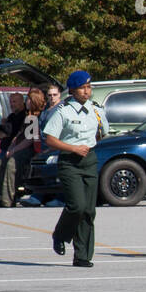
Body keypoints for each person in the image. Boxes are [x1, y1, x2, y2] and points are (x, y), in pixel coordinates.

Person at [43, 71, 106, 267]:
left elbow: (101, 133)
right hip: (70, 161)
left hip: (89, 160)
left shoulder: (96, 109)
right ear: (72, 90)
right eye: (82, 88)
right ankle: (60, 235)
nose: (87, 91)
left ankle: (82, 256)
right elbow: (50, 139)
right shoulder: (63, 111)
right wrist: (73, 148)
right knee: (77, 205)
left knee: (88, 210)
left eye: (89, 87)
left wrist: (89, 145)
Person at [0, 88, 46, 207]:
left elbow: (29, 140)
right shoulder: (28, 116)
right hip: (22, 146)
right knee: (0, 163)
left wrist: (14, 150)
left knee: (11, 164)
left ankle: (8, 200)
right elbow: (19, 135)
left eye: (28, 99)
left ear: (34, 101)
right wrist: (11, 147)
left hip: (33, 150)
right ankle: (2, 195)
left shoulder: (34, 118)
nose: (26, 102)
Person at [0, 93, 26, 205]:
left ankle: (3, 196)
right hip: (6, 149)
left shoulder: (23, 117)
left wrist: (4, 130)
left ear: (22, 102)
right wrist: (3, 129)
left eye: (15, 102)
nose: (12, 104)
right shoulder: (12, 117)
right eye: (11, 102)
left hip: (14, 149)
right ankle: (1, 194)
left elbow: (8, 133)